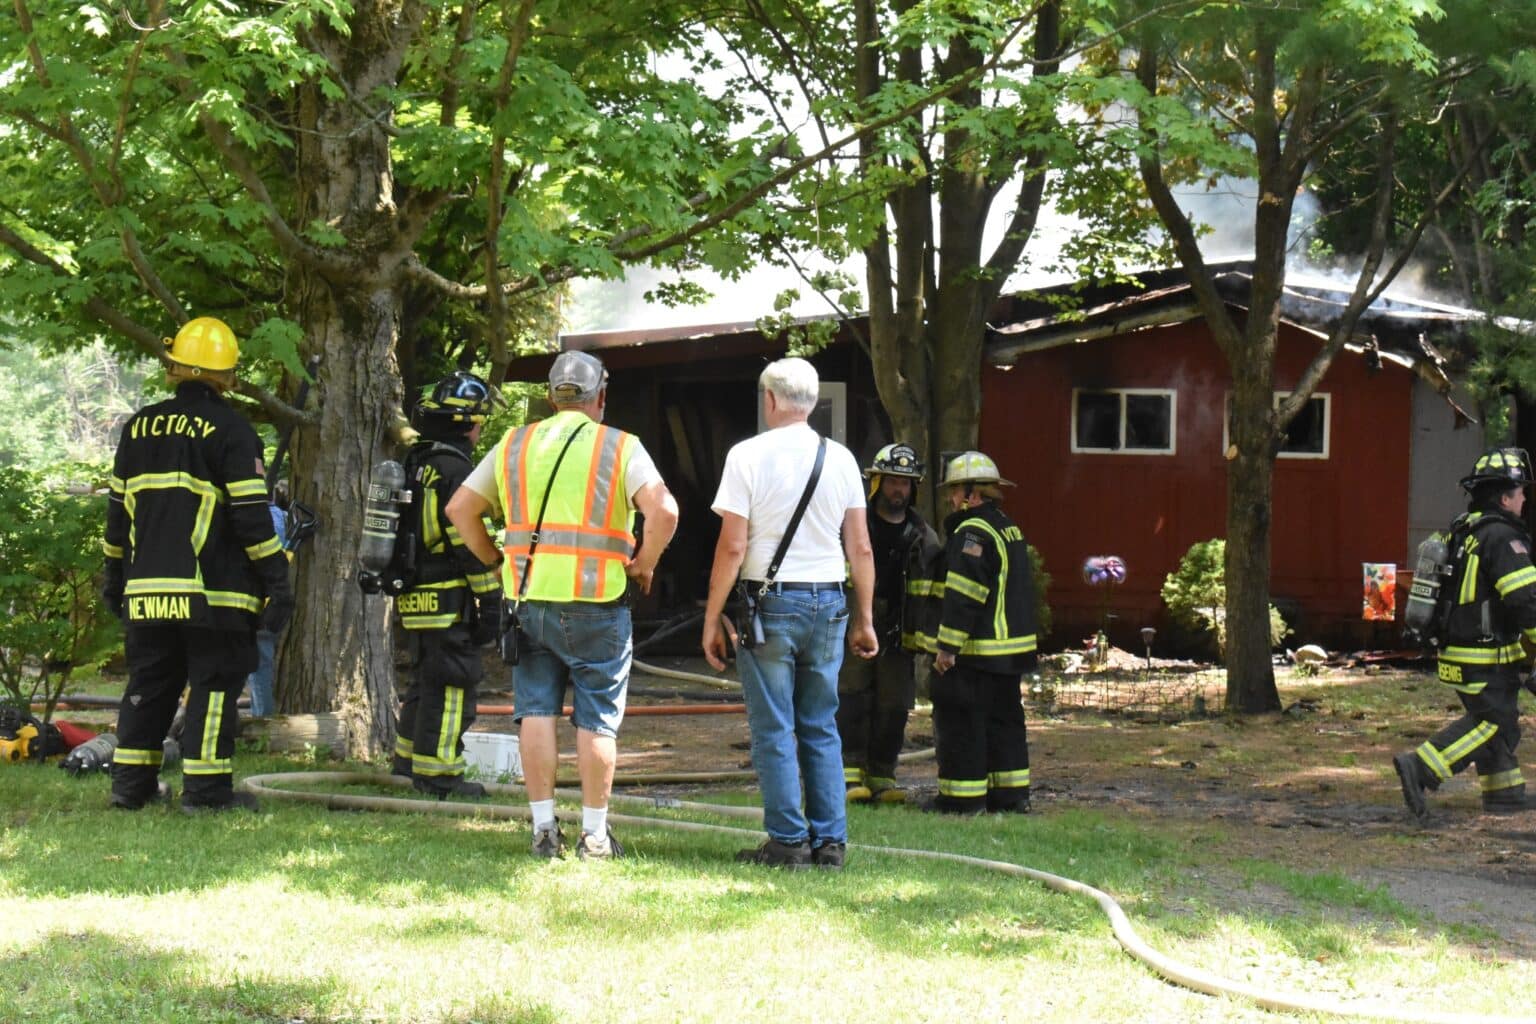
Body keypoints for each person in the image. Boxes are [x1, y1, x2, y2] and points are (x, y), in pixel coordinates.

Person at [447, 351, 678, 858]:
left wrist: (493, 561)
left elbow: (460, 508)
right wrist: (645, 562)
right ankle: (594, 836)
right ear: (601, 396)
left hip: (527, 603)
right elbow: (663, 509)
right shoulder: (620, 446)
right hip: (597, 602)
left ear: (551, 396)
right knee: (596, 719)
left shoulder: (514, 443)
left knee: (534, 711)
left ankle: (543, 831)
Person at [101, 317, 293, 813]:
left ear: (175, 367)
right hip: (214, 593)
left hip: (145, 590)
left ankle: (131, 788)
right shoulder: (232, 430)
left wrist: (113, 578)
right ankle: (206, 794)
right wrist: (278, 578)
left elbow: (118, 517)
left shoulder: (137, 427)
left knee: (149, 685)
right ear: (228, 375)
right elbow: (252, 519)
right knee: (214, 685)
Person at [702, 357, 878, 870]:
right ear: (812, 402)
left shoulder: (747, 456)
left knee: (775, 725)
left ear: (771, 400)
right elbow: (861, 547)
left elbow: (733, 547)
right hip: (830, 601)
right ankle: (831, 844)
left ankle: (787, 841)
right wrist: (864, 618)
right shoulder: (841, 459)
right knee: (821, 723)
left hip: (770, 603)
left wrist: (712, 616)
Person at [1394, 447, 1536, 821]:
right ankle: (1422, 767)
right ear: (1505, 497)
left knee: (1497, 720)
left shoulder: (1464, 532)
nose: (1524, 499)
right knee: (1493, 723)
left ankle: (1504, 793)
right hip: (1483, 654)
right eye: (1521, 492)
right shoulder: (1503, 538)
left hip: (1459, 651)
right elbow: (1526, 600)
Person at [388, 371, 503, 799]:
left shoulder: (415, 463)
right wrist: (489, 598)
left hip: (413, 593)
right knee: (454, 680)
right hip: (448, 594)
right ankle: (440, 776)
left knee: (424, 680)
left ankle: (407, 764)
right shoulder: (456, 470)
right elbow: (465, 540)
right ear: (468, 424)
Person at [910, 451, 1039, 816]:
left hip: (977, 654)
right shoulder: (1006, 527)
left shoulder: (972, 532)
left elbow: (964, 595)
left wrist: (947, 648)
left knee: (961, 723)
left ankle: (961, 801)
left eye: (955, 491)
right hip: (1009, 655)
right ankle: (1011, 797)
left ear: (972, 493)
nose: (951, 499)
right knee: (1005, 725)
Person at [837, 443, 940, 805]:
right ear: (877, 483)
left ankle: (882, 775)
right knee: (851, 696)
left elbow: (934, 595)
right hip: (854, 623)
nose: (899, 490)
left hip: (900, 631)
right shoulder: (853, 525)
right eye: (893, 481)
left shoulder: (923, 536)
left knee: (894, 704)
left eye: (906, 483)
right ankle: (850, 774)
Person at [244, 478, 290, 718]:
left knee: (259, 664)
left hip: (259, 600)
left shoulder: (256, 519)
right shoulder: (283, 518)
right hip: (278, 599)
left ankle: (263, 719)